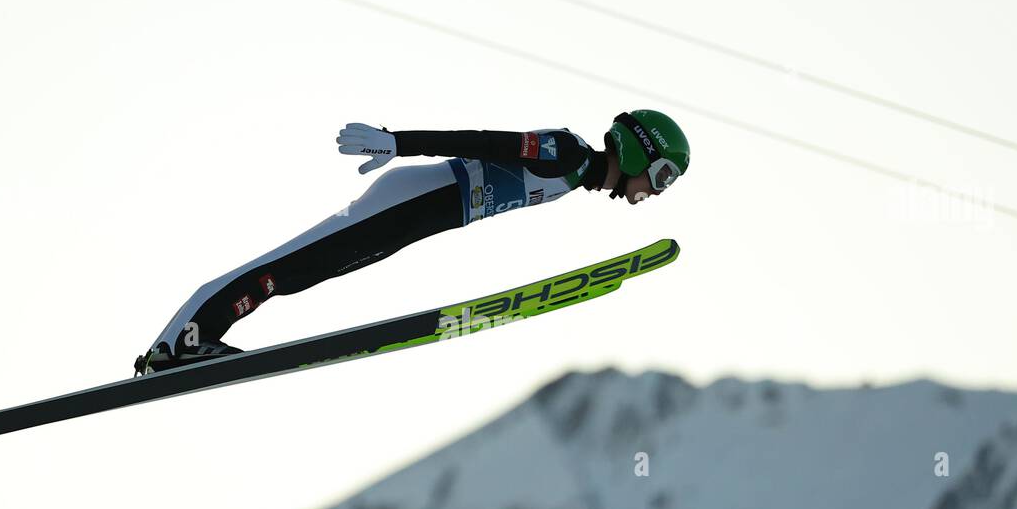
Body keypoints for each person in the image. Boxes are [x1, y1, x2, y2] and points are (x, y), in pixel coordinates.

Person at [133, 110, 691, 375]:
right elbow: (484, 142)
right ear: (640, 152)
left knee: (300, 272)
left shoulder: (574, 176)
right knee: (290, 266)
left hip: (421, 217)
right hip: (415, 200)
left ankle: (181, 346)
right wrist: (398, 141)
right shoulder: (567, 153)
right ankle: (180, 344)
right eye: (660, 178)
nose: (653, 194)